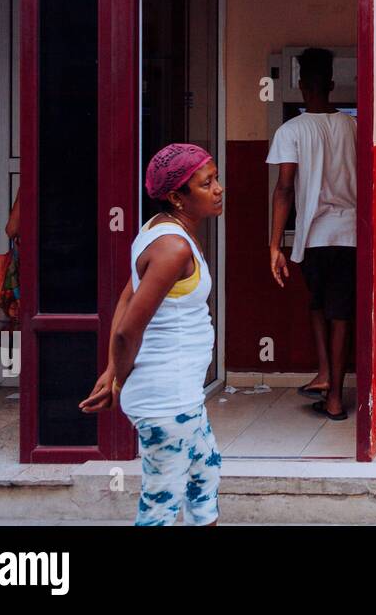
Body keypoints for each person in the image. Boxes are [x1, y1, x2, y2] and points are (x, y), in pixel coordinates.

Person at [80, 143, 224, 526]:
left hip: (181, 395)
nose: (218, 188)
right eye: (207, 183)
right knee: (159, 507)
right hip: (167, 399)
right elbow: (128, 329)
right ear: (177, 197)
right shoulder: (172, 249)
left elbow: (127, 296)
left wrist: (112, 372)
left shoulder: (160, 229)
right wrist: (115, 380)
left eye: (216, 178)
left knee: (204, 478)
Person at [266, 47, 357, 421]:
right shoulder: (354, 125)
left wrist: (274, 244)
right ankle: (327, 382)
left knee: (322, 307)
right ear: (333, 85)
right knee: (337, 312)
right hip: (351, 234)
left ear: (301, 86)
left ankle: (333, 396)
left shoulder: (291, 130)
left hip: (314, 236)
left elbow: (284, 188)